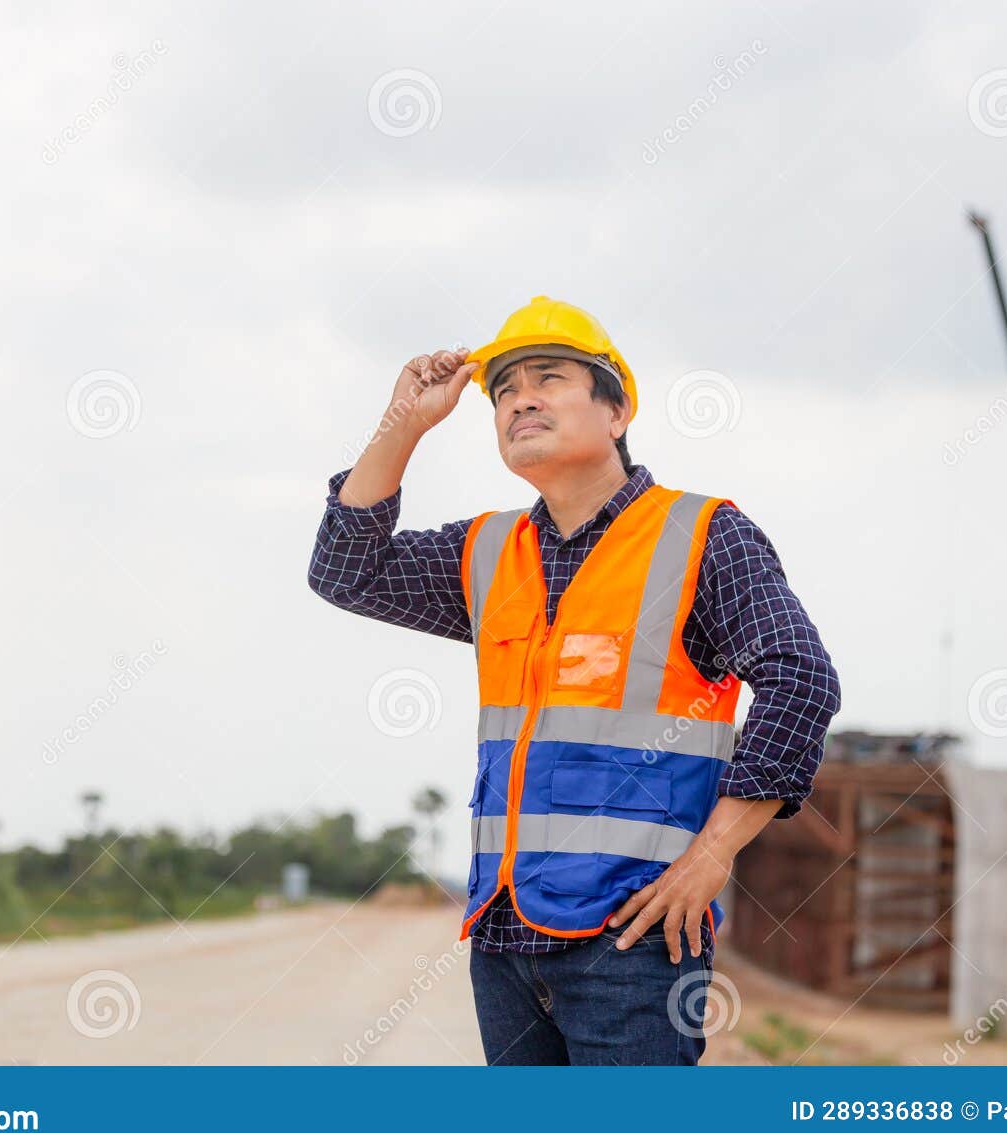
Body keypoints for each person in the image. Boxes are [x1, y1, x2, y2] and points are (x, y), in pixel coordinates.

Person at [309, 295, 840, 1065]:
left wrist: (714, 852)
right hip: (503, 940)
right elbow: (344, 571)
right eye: (505, 390)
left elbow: (802, 679)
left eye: (549, 377)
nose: (520, 397)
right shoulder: (489, 553)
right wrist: (404, 422)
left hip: (634, 939)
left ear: (617, 410)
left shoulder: (700, 536)